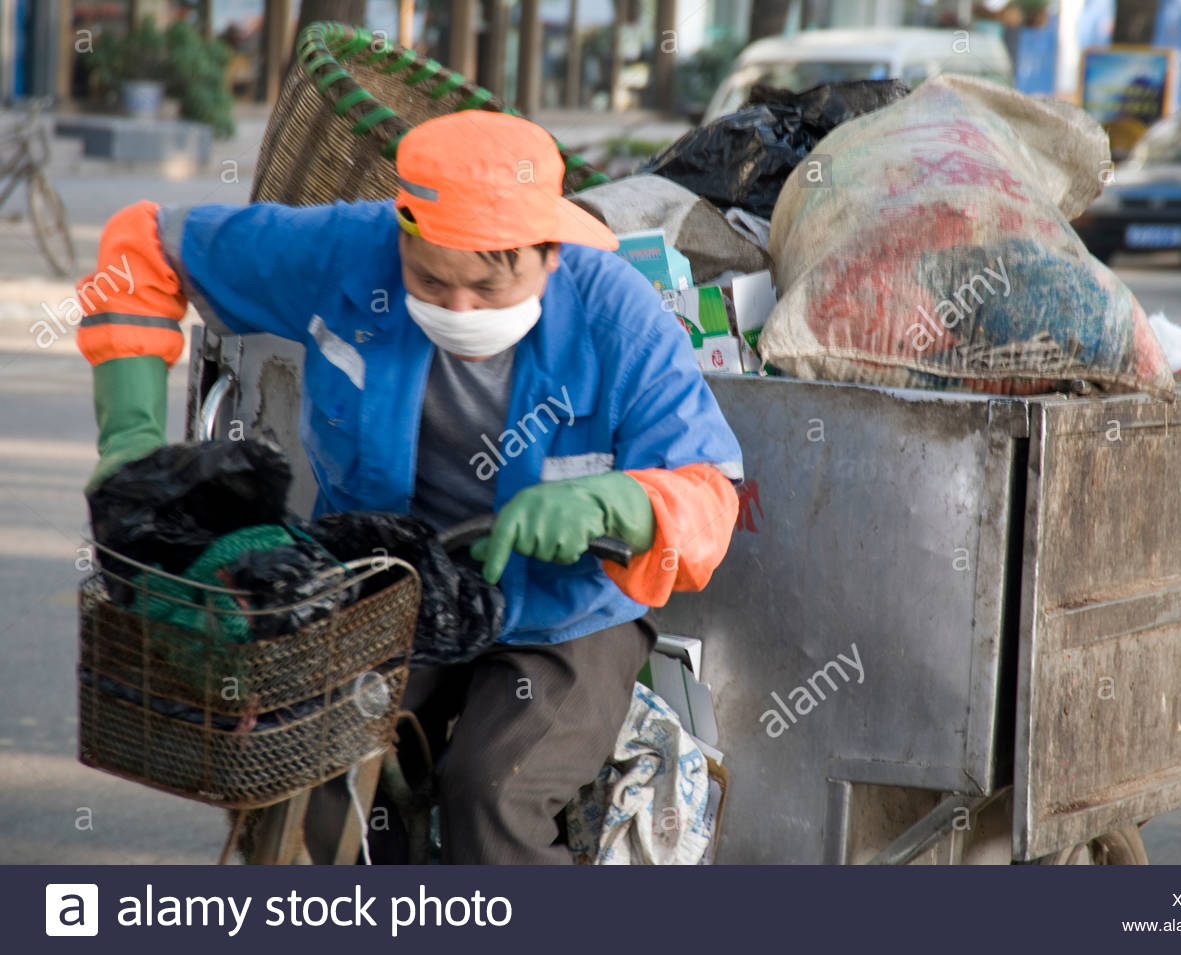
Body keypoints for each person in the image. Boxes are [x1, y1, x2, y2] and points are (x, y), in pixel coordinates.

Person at [76, 110, 743, 864]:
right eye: (430, 279)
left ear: (550, 251)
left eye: (490, 284)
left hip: (565, 616)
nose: (457, 309)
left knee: (492, 794)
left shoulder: (616, 311)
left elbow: (708, 489)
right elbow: (143, 244)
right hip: (390, 592)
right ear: (400, 232)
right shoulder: (347, 254)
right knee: (322, 778)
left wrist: (614, 502)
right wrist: (129, 437)